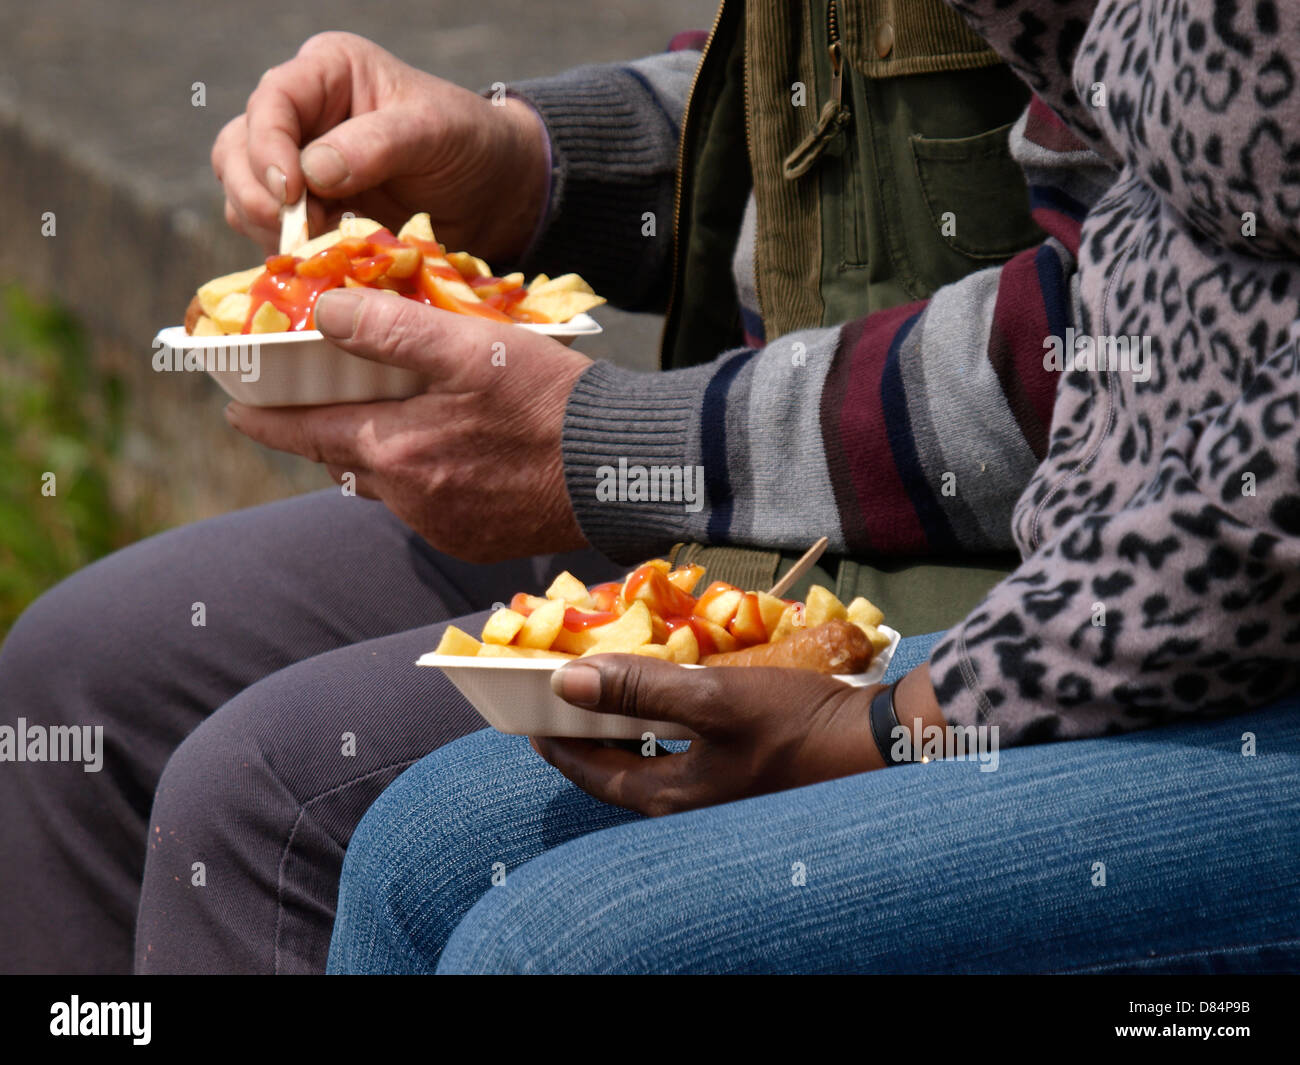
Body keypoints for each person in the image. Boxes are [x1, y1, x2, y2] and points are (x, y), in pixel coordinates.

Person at [0, 0, 1101, 974]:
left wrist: (624, 449)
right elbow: (815, 114)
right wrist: (530, 163)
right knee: (84, 668)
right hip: (736, 495)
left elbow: (1114, 347)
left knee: (266, 796)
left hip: (995, 572)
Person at [324, 0, 1300, 973]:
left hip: (1151, 605)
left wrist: (888, 724)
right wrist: (536, 167)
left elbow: (1093, 353)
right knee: (417, 848)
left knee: (543, 944)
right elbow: (802, 106)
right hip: (1079, 567)